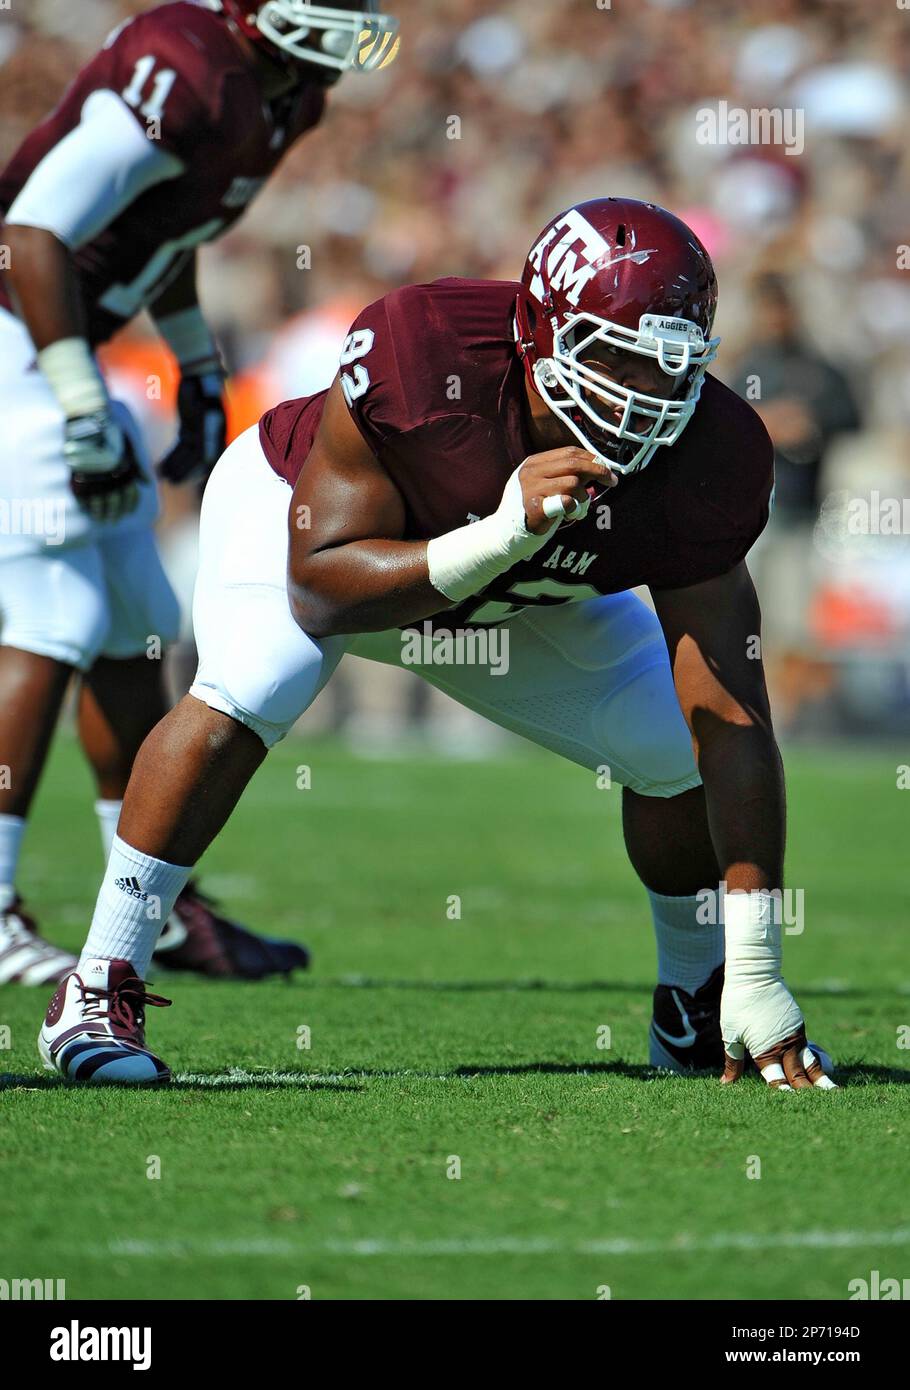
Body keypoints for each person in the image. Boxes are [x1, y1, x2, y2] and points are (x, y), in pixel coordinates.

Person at [39, 198, 835, 1092]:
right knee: (259, 678)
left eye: (670, 365)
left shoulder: (712, 452)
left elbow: (730, 713)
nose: (644, 393)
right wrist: (494, 535)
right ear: (539, 334)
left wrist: (762, 965)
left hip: (507, 593)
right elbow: (320, 585)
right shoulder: (425, 351)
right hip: (309, 528)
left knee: (672, 745)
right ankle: (99, 980)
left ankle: (701, 998)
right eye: (617, 357)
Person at [0, 0, 399, 984]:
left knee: (136, 614)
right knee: (57, 609)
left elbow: (167, 229)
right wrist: (80, 403)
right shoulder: (184, 68)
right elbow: (33, 227)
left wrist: (198, 365)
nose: (354, 18)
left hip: (61, 343)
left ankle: (153, 909)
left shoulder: (284, 93)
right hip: (16, 332)